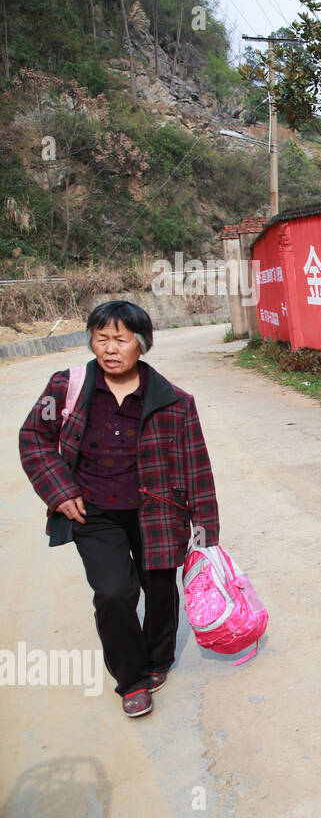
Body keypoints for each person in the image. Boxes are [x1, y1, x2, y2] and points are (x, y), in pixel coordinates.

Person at [18, 300, 220, 718]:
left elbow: (196, 466)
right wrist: (59, 490)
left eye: (121, 339)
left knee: (161, 590)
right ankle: (131, 680)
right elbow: (34, 437)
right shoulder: (67, 387)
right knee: (113, 593)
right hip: (93, 513)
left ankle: (159, 658)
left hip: (158, 512)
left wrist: (206, 538)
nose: (109, 348)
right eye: (101, 338)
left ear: (141, 345)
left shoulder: (175, 402)